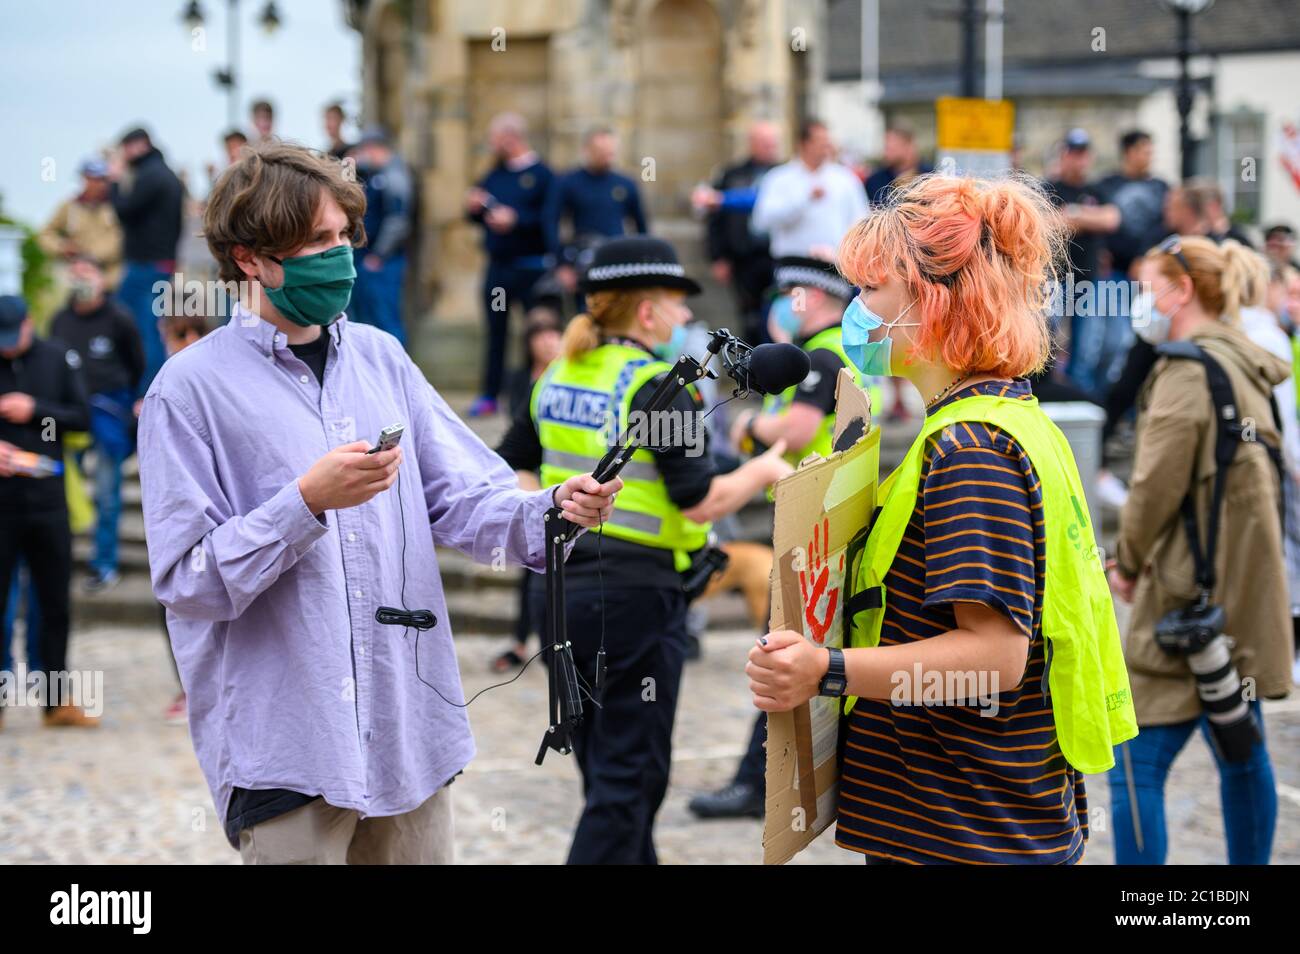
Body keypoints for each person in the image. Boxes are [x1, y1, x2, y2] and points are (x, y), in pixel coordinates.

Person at [137, 141, 619, 864]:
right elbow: (187, 580)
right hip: (288, 745)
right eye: (317, 242)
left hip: (406, 734)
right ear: (249, 258)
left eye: (343, 237)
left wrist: (551, 509)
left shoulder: (381, 355)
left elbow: (465, 496)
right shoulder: (189, 389)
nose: (341, 257)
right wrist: (304, 503)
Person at [746, 174, 1136, 864]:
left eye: (870, 290)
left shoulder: (969, 448)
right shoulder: (997, 418)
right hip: (971, 814)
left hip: (963, 825)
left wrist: (825, 668)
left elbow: (993, 659)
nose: (855, 311)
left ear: (932, 302)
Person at [495, 235, 792, 863]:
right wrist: (765, 471)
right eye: (677, 305)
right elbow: (699, 500)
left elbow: (513, 467)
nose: (687, 318)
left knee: (609, 773)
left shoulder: (557, 375)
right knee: (631, 780)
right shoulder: (662, 387)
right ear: (648, 312)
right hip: (637, 600)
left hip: (560, 593)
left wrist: (557, 516)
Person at [1106, 236, 1293, 865]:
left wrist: (1126, 563)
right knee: (1242, 752)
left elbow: (1151, 487)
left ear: (1181, 291)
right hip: (1240, 594)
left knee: (1136, 765)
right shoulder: (1245, 362)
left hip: (1187, 597)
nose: (1140, 301)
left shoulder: (1187, 370)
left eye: (1148, 286)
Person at [690, 255, 867, 820]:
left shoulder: (821, 353)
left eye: (788, 294)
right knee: (801, 643)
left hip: (811, 516)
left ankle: (755, 781)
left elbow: (791, 429)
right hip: (823, 509)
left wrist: (745, 427)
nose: (779, 307)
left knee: (784, 644)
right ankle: (782, 773)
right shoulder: (842, 352)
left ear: (810, 299)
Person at [0, 295, 95, 729]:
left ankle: (56, 702)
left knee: (54, 603)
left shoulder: (56, 359)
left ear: (28, 323)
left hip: (47, 502)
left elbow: (81, 418)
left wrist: (35, 410)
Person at [50, 256, 144, 593]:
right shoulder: (60, 320)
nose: (81, 280)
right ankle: (57, 559)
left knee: (107, 494)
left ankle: (104, 564)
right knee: (59, 487)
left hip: (108, 413)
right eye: (75, 274)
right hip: (64, 417)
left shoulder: (119, 318)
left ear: (102, 279)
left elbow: (138, 363)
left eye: (87, 273)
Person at [465, 113, 555, 417]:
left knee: (539, 332)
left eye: (495, 138)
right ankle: (490, 395)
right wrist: (475, 208)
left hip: (533, 269)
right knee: (496, 332)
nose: (491, 144)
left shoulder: (543, 175)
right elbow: (475, 216)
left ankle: (539, 393)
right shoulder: (494, 175)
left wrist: (516, 219)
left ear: (511, 138)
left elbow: (548, 220)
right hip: (499, 270)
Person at [491, 308, 564, 674]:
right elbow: (515, 444)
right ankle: (523, 642)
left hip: (563, 487)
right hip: (533, 482)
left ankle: (553, 646)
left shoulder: (569, 377)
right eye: (540, 334)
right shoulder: (525, 381)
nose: (549, 340)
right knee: (531, 566)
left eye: (554, 332)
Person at [154, 312, 210, 725]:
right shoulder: (165, 383)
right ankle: (189, 685)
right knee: (173, 602)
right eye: (175, 336)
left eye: (189, 334)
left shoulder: (217, 379)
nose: (182, 342)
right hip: (176, 517)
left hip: (217, 516)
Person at [1043, 128, 1121, 394]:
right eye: (1073, 153)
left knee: (1087, 348)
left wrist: (1072, 215)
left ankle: (1080, 396)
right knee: (1045, 343)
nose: (1079, 160)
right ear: (1063, 155)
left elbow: (1111, 219)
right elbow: (1048, 223)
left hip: (1088, 280)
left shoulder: (1096, 189)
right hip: (1052, 279)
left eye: (1083, 154)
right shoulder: (1048, 188)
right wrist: (1088, 219)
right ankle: (1048, 393)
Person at [107, 127, 184, 394]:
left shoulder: (152, 175)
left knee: (140, 328)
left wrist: (115, 181)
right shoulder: (164, 173)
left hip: (146, 264)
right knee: (148, 326)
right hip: (158, 263)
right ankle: (149, 389)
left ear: (138, 145)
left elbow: (124, 210)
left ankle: (144, 391)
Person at [699, 120, 782, 347]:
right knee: (749, 316)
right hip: (743, 258)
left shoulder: (784, 174)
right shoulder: (731, 174)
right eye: (765, 143)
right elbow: (715, 218)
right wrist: (718, 257)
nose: (770, 148)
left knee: (777, 314)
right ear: (752, 144)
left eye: (773, 143)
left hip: (776, 256)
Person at [543, 127, 648, 295]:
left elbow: (641, 227)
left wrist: (644, 262)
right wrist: (561, 265)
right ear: (586, 150)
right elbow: (550, 222)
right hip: (583, 265)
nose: (607, 157)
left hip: (617, 263)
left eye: (610, 152)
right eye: (601, 151)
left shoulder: (626, 184)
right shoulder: (568, 182)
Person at [752, 119, 868, 260]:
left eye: (826, 140)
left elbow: (861, 221)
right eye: (819, 140)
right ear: (803, 144)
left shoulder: (845, 178)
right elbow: (761, 221)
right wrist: (804, 199)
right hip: (792, 265)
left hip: (835, 266)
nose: (825, 145)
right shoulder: (778, 178)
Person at [349, 129, 413, 345]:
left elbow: (398, 220)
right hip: (368, 259)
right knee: (367, 322)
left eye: (365, 150)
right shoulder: (374, 174)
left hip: (384, 262)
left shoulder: (394, 175)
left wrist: (379, 255)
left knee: (387, 321)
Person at [37, 159, 123, 290]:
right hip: (77, 273)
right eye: (91, 179)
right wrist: (62, 247)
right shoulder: (69, 207)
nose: (96, 184)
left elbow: (126, 236)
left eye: (100, 179)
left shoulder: (119, 207)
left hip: (111, 275)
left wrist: (96, 256)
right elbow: (45, 235)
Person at [864, 124, 932, 206]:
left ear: (909, 145)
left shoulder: (931, 177)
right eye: (886, 147)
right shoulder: (875, 181)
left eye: (890, 148)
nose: (885, 153)